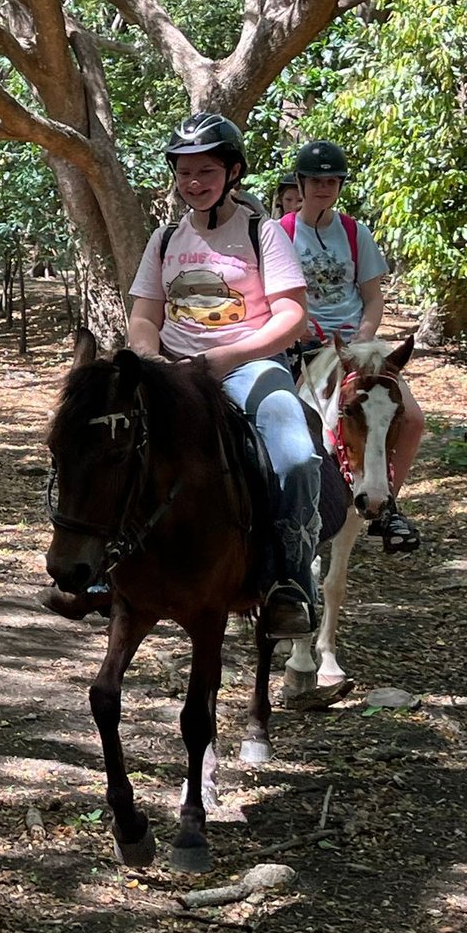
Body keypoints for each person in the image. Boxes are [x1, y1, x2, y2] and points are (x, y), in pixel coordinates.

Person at [126, 112, 319, 638]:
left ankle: (290, 584)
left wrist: (223, 360)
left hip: (249, 367)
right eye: (185, 172)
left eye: (206, 171)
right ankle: (101, 571)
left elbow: (292, 316)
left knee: (297, 456)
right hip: (173, 371)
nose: (194, 183)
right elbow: (144, 314)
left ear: (233, 172)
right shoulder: (164, 240)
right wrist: (150, 358)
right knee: (105, 440)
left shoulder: (263, 234)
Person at [285, 139, 424, 552]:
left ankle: (389, 505)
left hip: (357, 343)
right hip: (302, 342)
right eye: (315, 180)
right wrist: (296, 324)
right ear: (301, 183)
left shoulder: (354, 231)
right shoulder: (280, 232)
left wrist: (365, 336)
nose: (323, 188)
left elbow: (373, 295)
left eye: (331, 181)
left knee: (412, 419)